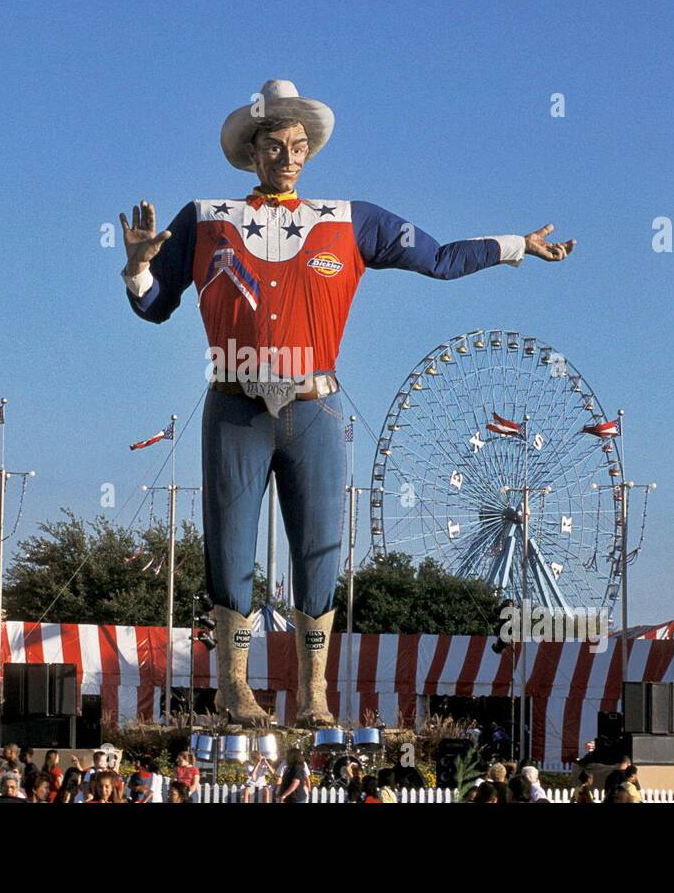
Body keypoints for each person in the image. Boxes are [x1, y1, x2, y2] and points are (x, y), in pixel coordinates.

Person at [118, 79, 574, 728]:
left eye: (298, 145)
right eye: (275, 144)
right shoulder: (206, 218)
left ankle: (312, 694)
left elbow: (439, 257)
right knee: (230, 548)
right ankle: (234, 688)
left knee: (319, 549)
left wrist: (515, 246)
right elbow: (155, 304)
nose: (288, 155)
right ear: (252, 150)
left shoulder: (346, 219)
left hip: (313, 408)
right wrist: (136, 268)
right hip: (235, 404)